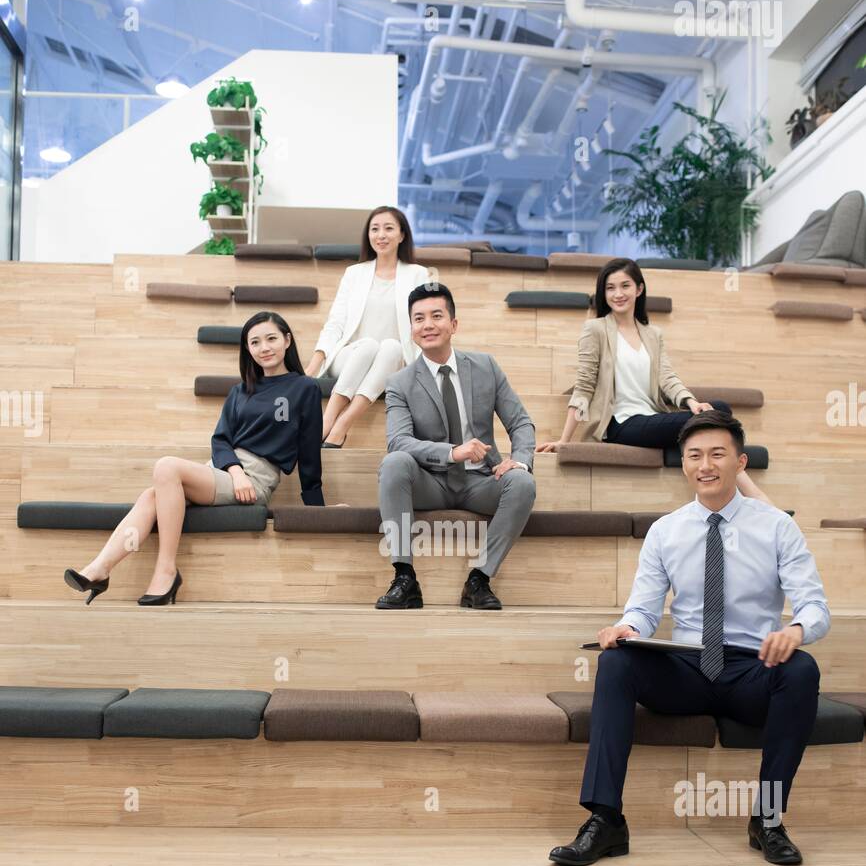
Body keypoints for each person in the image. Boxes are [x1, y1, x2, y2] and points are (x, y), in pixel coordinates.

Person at [549, 410, 830, 866]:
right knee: (617, 663)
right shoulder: (666, 531)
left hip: (751, 668)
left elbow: (815, 607)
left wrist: (795, 632)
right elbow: (643, 607)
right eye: (694, 455)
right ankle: (606, 820)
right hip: (689, 666)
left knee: (802, 670)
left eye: (717, 454)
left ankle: (768, 819)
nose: (705, 465)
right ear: (683, 465)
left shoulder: (778, 527)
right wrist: (627, 628)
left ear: (740, 463)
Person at [63, 311, 323, 607]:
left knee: (166, 467)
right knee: (151, 496)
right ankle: (100, 568)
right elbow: (220, 440)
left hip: (255, 479)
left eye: (271, 338)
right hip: (224, 472)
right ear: (247, 349)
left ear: (287, 340)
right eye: (255, 342)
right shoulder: (241, 391)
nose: (264, 347)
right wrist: (234, 471)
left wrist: (318, 509)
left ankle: (166, 569)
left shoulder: (305, 388)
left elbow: (309, 451)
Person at [537, 257, 770, 502]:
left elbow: (667, 379)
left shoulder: (652, 334)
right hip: (619, 424)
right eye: (610, 287)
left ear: (639, 289)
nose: (618, 294)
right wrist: (564, 440)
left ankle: (734, 490)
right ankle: (751, 493)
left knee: (718, 408)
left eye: (625, 286)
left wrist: (692, 403)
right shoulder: (595, 329)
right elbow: (584, 385)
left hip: (650, 417)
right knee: (715, 418)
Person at [376, 282, 536, 611]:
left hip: (481, 481)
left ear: (454, 324)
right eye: (419, 318)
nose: (428, 324)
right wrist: (451, 452)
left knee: (523, 482)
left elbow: (521, 422)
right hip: (430, 481)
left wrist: (519, 460)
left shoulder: (485, 367)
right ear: (412, 329)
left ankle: (479, 580)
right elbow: (399, 440)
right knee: (394, 463)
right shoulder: (400, 383)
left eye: (437, 315)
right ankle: (404, 577)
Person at [305, 205, 431, 448]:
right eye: (375, 229)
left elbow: (424, 324)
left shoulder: (419, 275)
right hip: (352, 356)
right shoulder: (354, 273)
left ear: (402, 235)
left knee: (392, 346)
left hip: (394, 359)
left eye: (388, 228)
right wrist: (313, 364)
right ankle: (327, 420)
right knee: (369, 345)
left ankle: (342, 425)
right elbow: (336, 323)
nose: (381, 235)